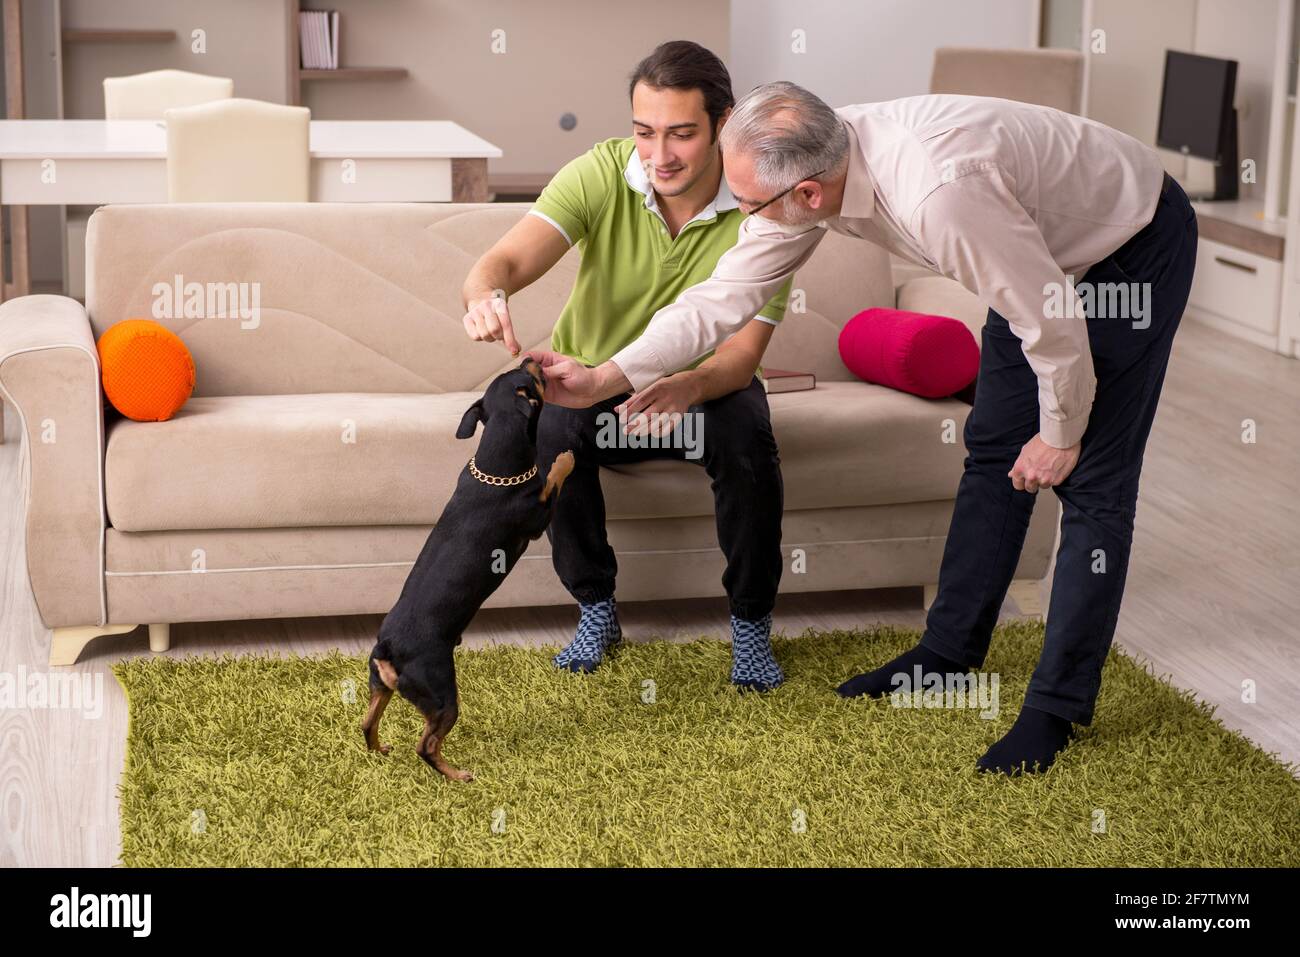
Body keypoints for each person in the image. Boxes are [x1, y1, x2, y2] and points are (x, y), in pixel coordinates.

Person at [529, 82, 1198, 774]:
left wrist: (1060, 434)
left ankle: (1056, 707)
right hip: (1033, 249)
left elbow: (1052, 324)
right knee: (993, 450)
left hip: (1131, 242)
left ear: (809, 196)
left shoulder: (938, 194)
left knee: (1092, 479)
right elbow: (724, 297)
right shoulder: (816, 159)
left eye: (750, 204)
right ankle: (948, 654)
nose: (746, 215)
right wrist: (606, 378)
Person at [461, 42, 792, 691]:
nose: (659, 155)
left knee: (747, 435)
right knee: (553, 428)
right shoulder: (604, 172)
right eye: (645, 132)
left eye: (682, 134)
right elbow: (502, 262)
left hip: (701, 390)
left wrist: (683, 384)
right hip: (590, 386)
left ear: (723, 124)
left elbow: (740, 356)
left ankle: (751, 626)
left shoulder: (762, 204)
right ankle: (597, 607)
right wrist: (486, 297)